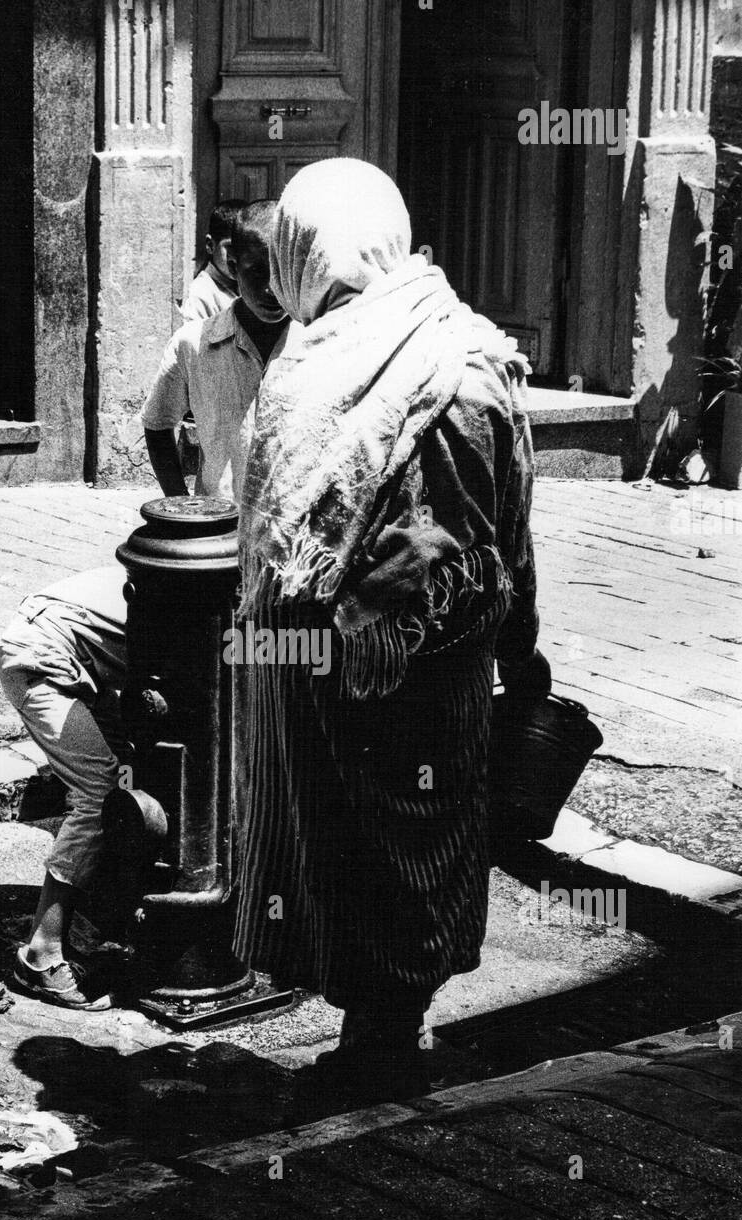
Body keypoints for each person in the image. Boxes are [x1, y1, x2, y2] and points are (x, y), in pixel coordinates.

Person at [233, 159, 552, 1101]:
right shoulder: (471, 352)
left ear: (304, 247)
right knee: (412, 844)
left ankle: (374, 1045)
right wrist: (521, 645)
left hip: (339, 664)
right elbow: (512, 523)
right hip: (434, 667)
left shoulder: (320, 363)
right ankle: (383, 1035)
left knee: (352, 845)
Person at [0, 567, 130, 1010]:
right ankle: (40, 957)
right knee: (97, 792)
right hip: (40, 659)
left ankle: (85, 925)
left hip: (73, 655)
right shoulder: (212, 586)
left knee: (132, 778)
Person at [142, 201, 290, 502]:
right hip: (220, 525)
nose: (271, 288)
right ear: (234, 266)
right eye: (256, 272)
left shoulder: (320, 343)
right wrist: (181, 504)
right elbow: (157, 424)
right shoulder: (192, 344)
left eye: (279, 272)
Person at [179, 199, 247, 322]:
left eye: (245, 249)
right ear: (210, 245)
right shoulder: (200, 294)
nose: (238, 257)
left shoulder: (248, 285)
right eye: (231, 248)